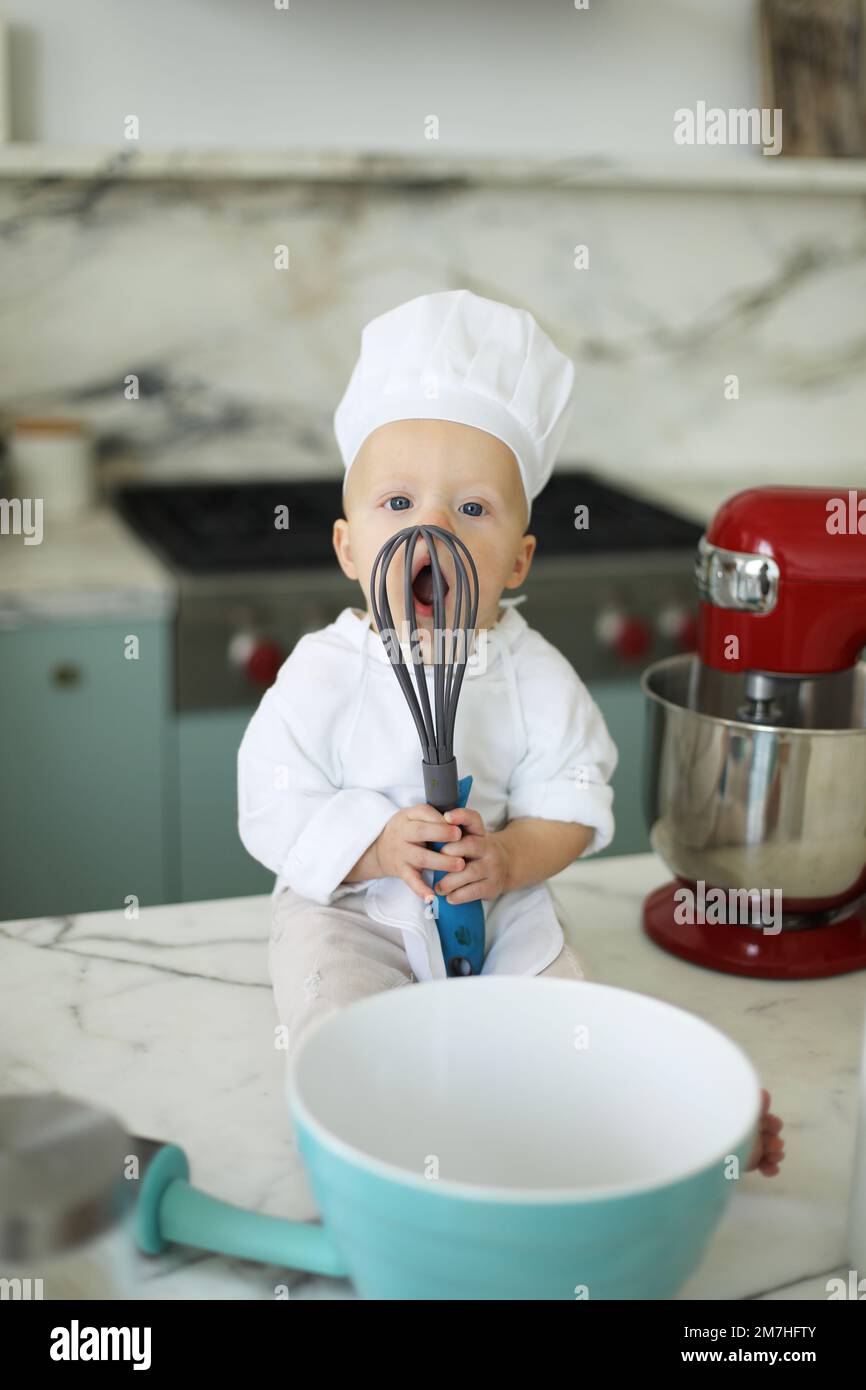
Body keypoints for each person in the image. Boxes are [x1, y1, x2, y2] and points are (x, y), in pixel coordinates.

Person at [238, 291, 784, 1217]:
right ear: (348, 546)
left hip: (497, 911)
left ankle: (684, 1128)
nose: (435, 530)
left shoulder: (532, 672)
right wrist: (374, 846)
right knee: (339, 1025)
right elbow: (269, 802)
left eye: (473, 507)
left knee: (572, 1023)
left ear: (520, 561)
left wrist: (509, 859)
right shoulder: (323, 673)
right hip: (352, 912)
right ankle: (378, 1163)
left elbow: (572, 799)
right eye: (399, 502)